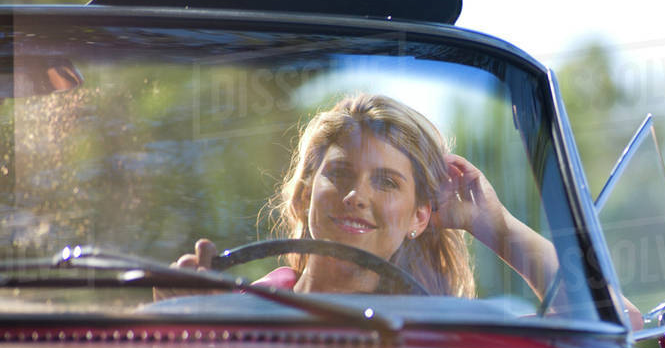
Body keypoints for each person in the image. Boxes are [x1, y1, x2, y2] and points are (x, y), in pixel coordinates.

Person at [175, 93, 558, 299]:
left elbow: (612, 326)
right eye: (340, 174)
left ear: (419, 217)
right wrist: (176, 321)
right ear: (304, 194)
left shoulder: (446, 334)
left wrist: (497, 227)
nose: (356, 196)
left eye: (387, 182)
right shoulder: (237, 315)